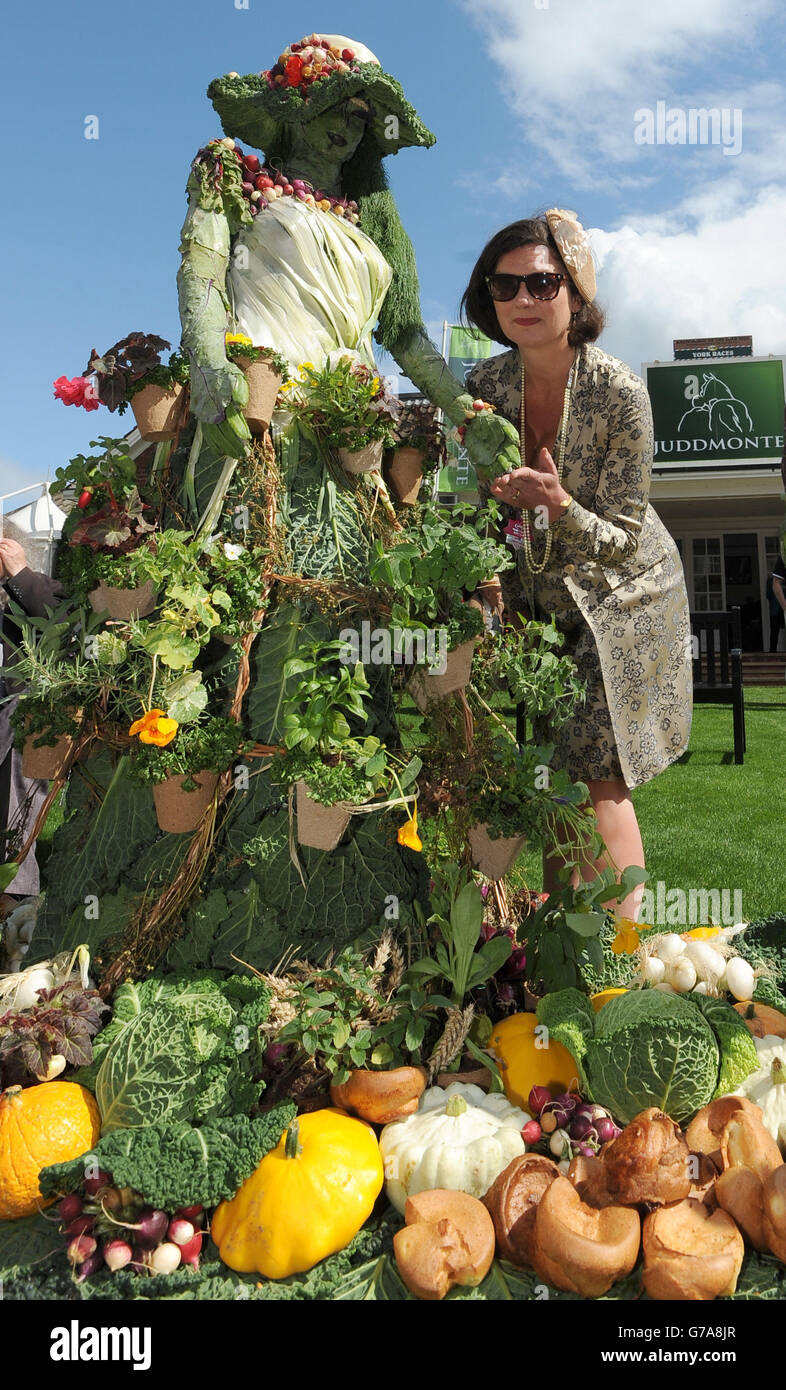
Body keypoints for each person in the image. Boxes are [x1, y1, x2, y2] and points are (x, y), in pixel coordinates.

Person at [460, 211, 693, 920]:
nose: (523, 300)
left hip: (625, 595)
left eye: (542, 282)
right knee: (554, 770)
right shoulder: (482, 386)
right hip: (541, 596)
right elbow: (472, 506)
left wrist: (559, 506)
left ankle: (621, 950)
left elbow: (623, 535)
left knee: (598, 772)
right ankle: (569, 941)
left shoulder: (619, 391)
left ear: (576, 295)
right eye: (505, 286)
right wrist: (483, 574)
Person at [0, 525, 64, 912]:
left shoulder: (28, 588)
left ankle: (14, 893)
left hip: (15, 712)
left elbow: (61, 616)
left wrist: (20, 574)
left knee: (19, 770)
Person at [768, 553, 786, 653]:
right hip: (776, 610)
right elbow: (769, 593)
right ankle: (772, 651)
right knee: (774, 630)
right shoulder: (770, 581)